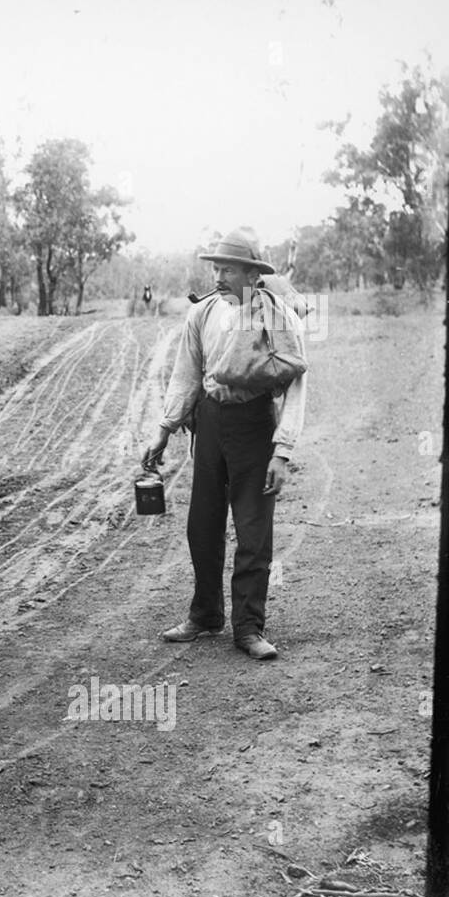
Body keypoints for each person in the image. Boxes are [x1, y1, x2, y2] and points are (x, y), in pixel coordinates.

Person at [141, 228, 308, 661]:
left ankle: (249, 628)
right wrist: (164, 427)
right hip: (211, 424)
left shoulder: (277, 318)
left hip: (255, 424)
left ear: (251, 273)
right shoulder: (203, 315)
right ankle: (205, 615)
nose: (218, 276)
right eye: (215, 267)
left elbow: (296, 387)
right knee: (203, 525)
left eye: (228, 268)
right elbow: (186, 373)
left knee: (254, 531)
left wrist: (283, 450)